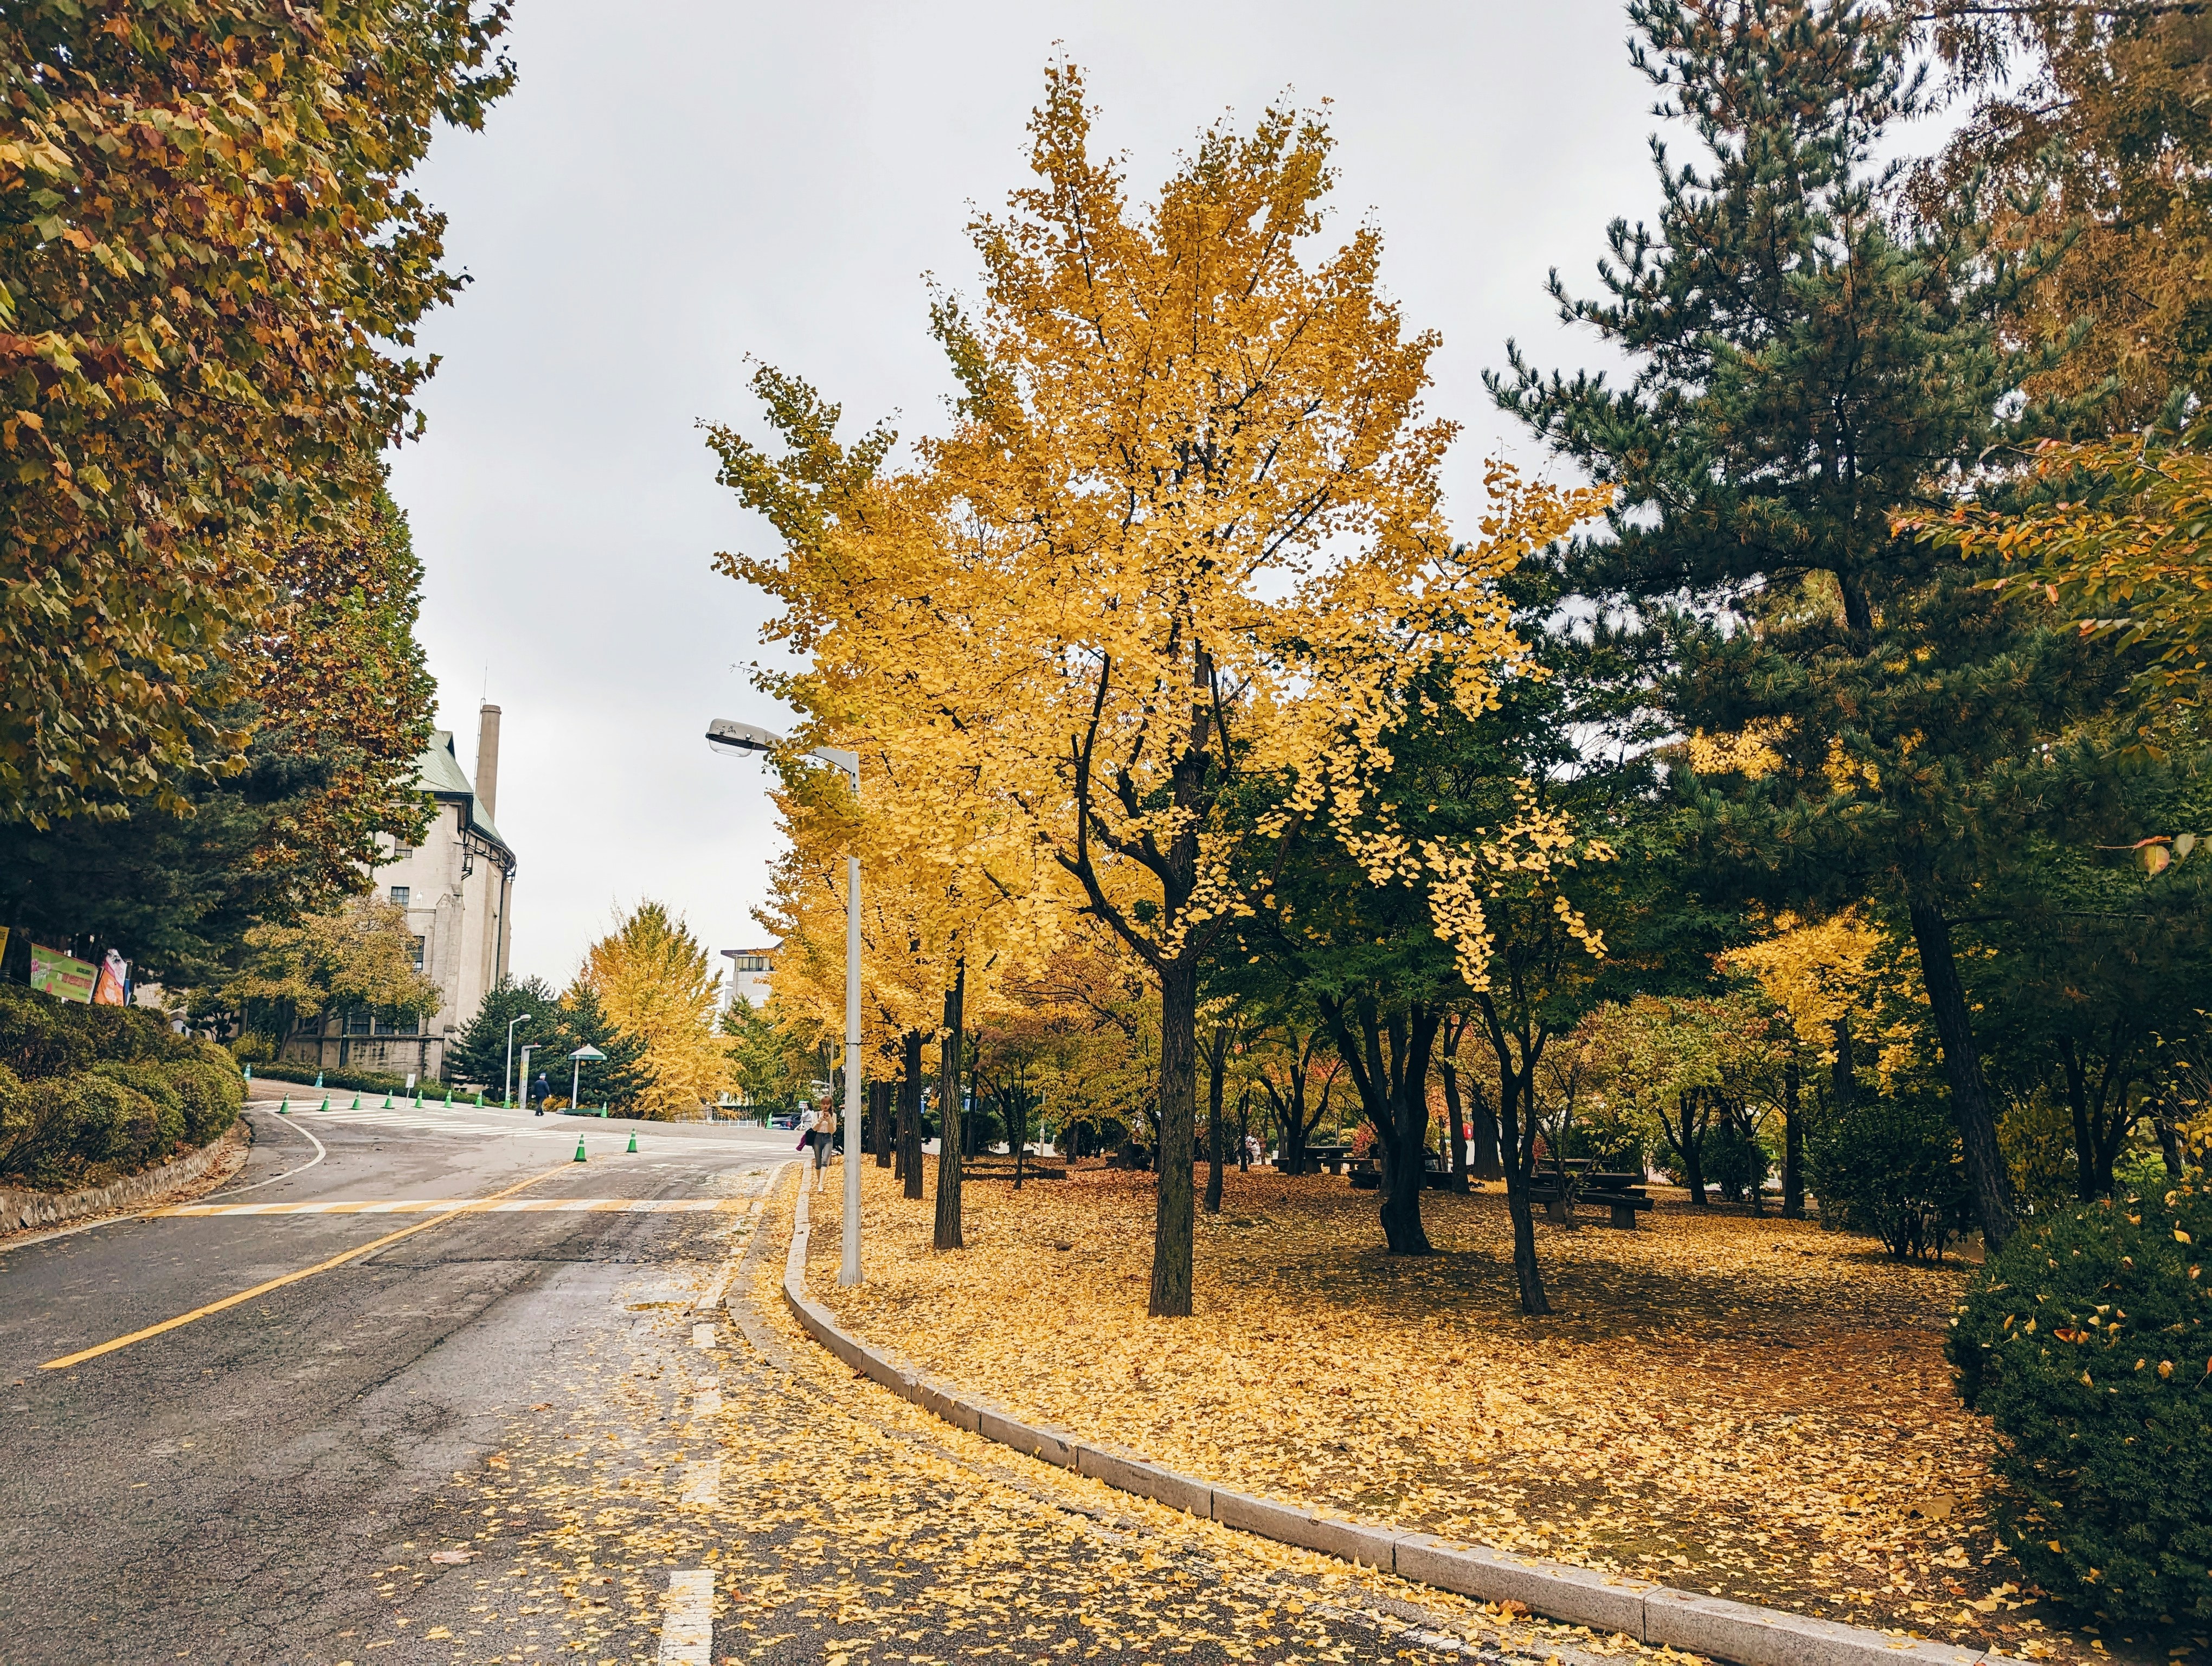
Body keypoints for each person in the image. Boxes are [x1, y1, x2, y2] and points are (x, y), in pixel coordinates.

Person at [813, 1101, 839, 1190]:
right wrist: (820, 1120)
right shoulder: (817, 1114)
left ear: (830, 1105)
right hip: (818, 1138)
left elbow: (832, 1131)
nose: (825, 1106)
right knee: (818, 1163)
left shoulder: (833, 1115)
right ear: (821, 1105)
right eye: (824, 1104)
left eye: (827, 1104)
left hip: (828, 1138)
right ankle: (819, 1181)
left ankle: (821, 1184)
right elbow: (814, 1128)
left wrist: (830, 1121)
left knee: (825, 1161)